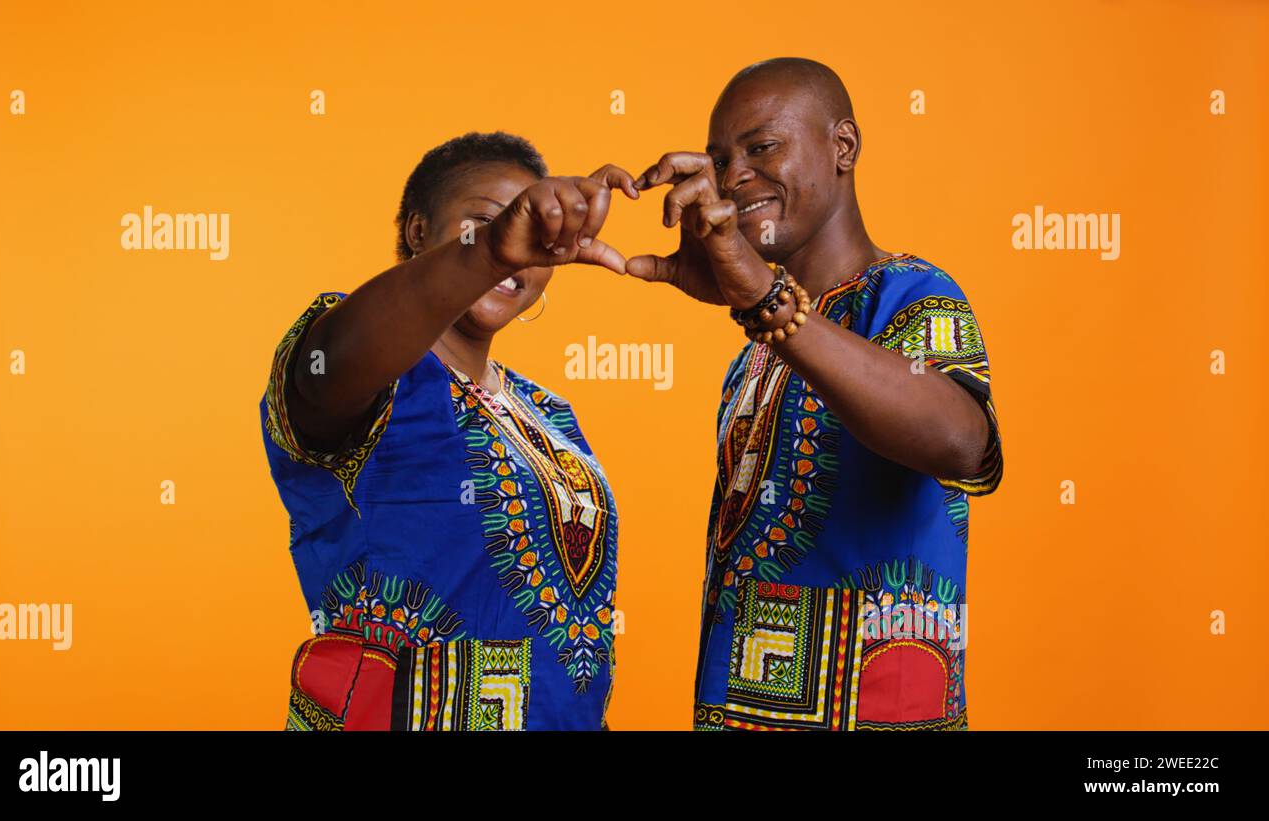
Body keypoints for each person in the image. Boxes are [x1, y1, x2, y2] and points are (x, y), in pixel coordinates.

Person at [617, 58, 1003, 730]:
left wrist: (766, 300)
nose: (735, 177)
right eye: (720, 159)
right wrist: (762, 309)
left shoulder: (913, 293)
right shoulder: (756, 354)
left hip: (874, 708)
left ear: (842, 147)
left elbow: (962, 441)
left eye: (762, 147)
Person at [260, 132, 631, 730]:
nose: (516, 255)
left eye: (538, 241)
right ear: (417, 231)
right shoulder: (363, 370)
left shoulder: (548, 412)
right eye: (487, 223)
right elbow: (324, 369)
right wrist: (486, 252)